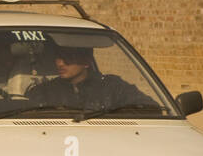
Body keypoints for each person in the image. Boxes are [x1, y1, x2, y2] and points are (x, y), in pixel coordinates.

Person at [24, 46, 156, 113]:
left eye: (67, 58)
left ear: (86, 62)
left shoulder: (112, 87)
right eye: (58, 58)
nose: (60, 63)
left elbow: (150, 108)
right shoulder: (45, 91)